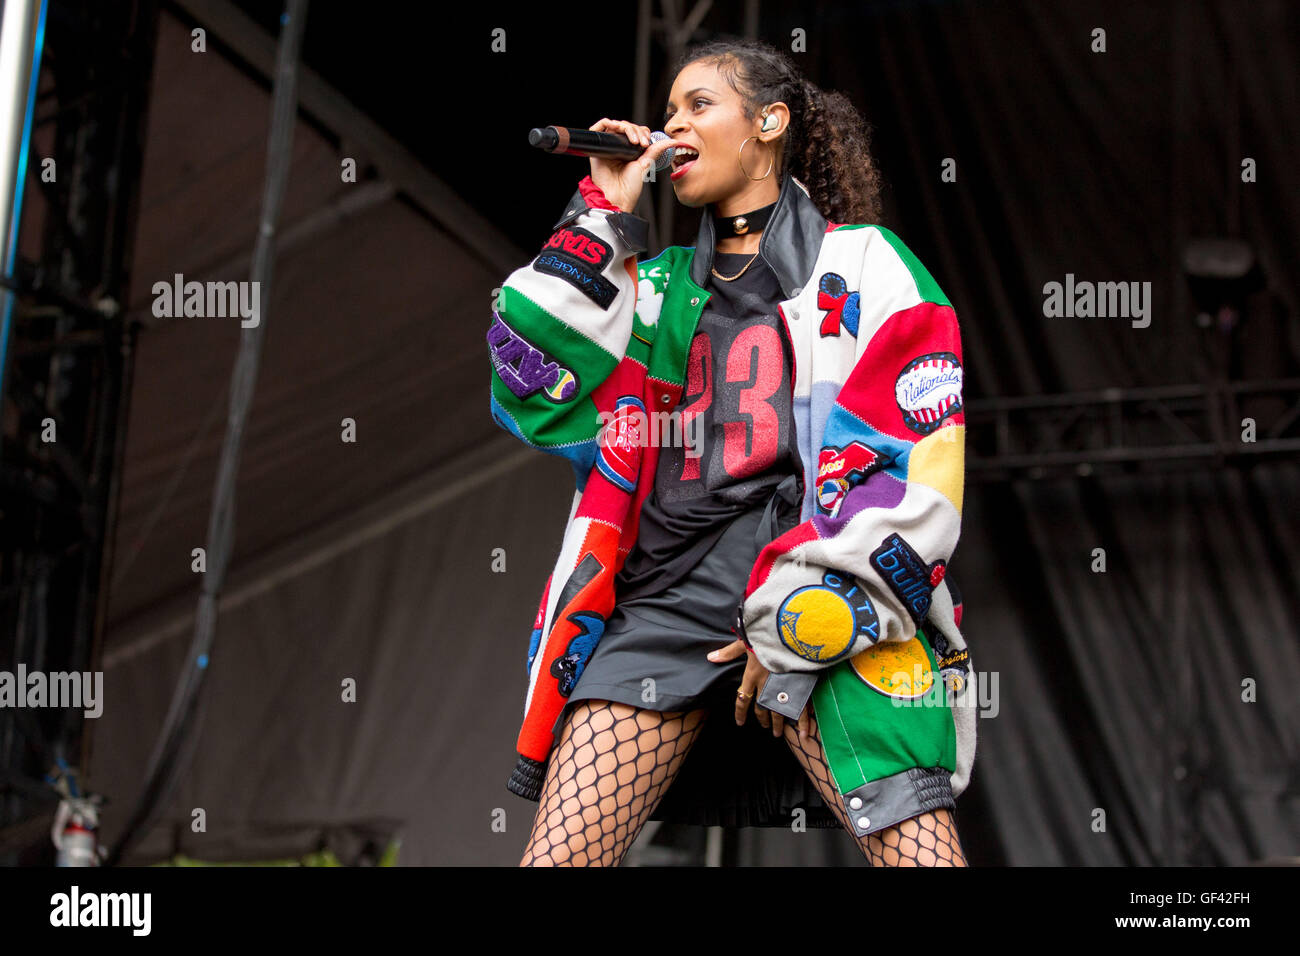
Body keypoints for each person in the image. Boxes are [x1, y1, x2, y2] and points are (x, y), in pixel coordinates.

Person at [489, 37, 975, 867]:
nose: (671, 126)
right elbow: (528, 374)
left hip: (816, 593)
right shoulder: (655, 284)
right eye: (668, 110)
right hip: (662, 602)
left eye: (698, 105)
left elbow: (912, 460)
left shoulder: (862, 267)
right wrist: (602, 214)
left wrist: (806, 617)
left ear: (769, 123)